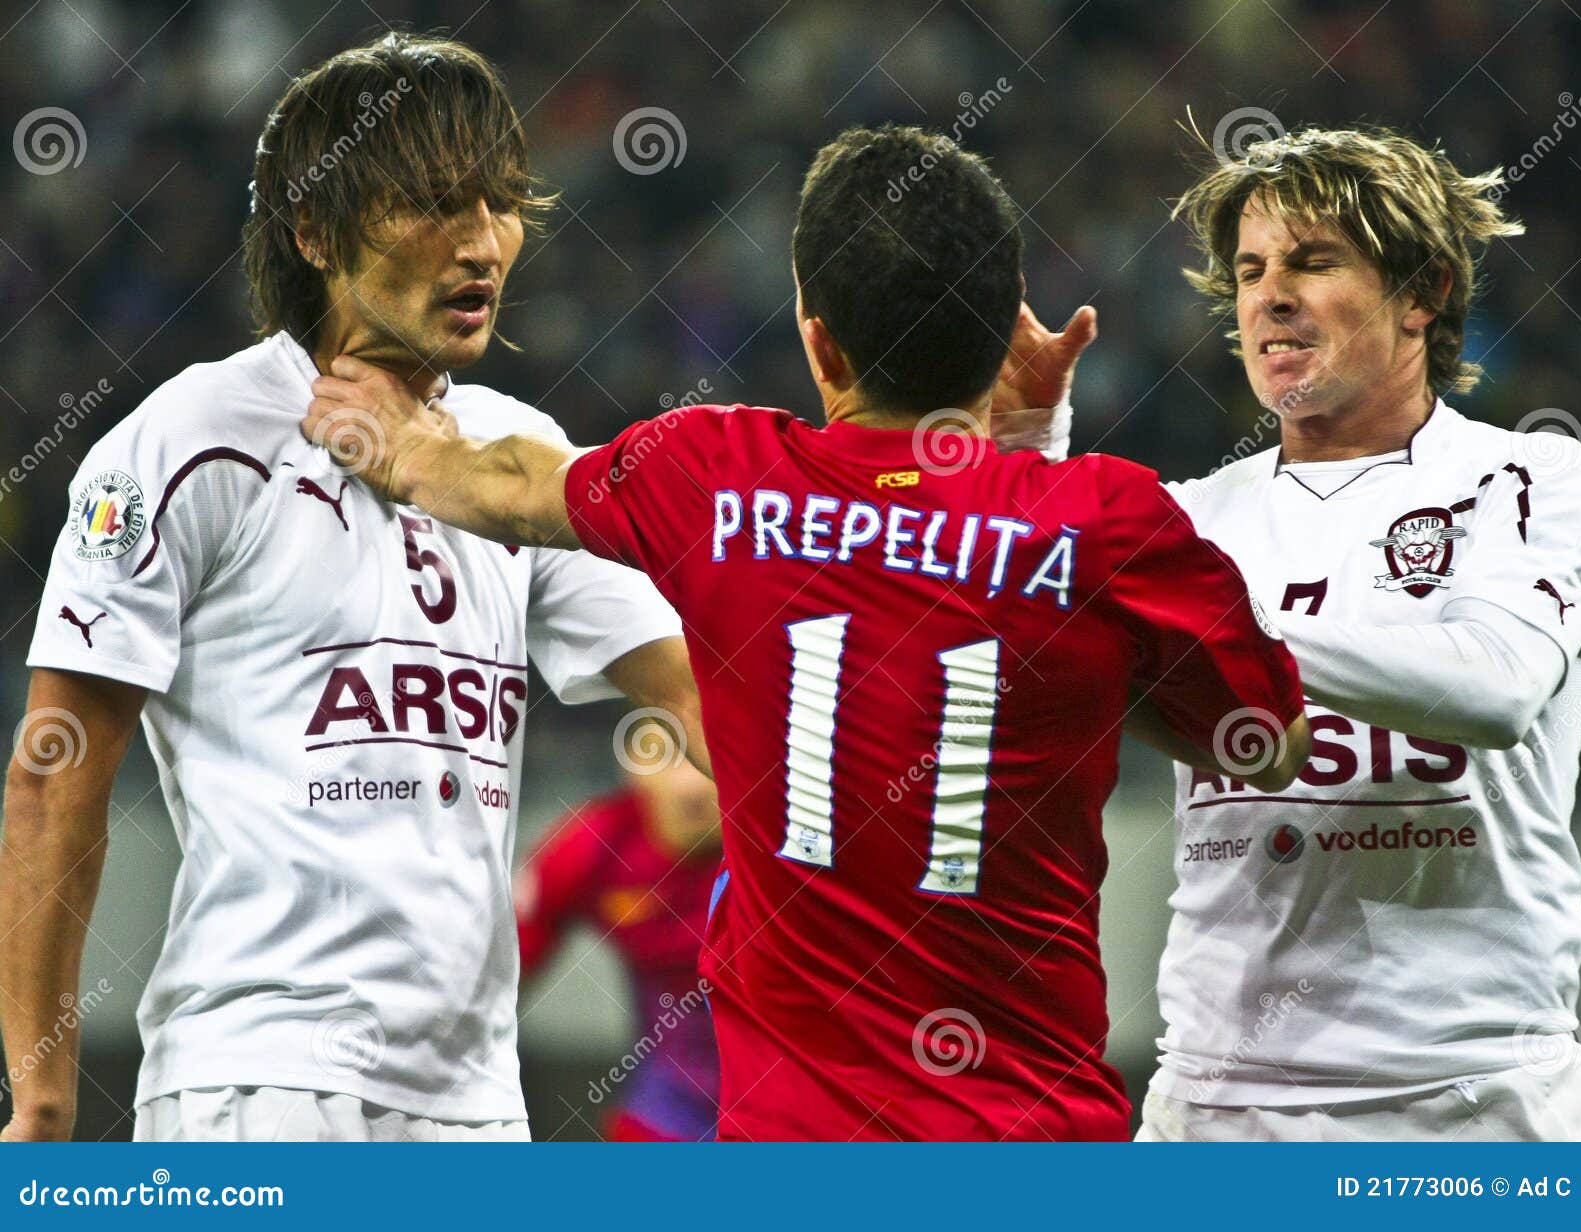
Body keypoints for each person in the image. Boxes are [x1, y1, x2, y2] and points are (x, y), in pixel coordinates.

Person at [302, 124, 1310, 1141]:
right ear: (1000, 324)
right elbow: (1267, 743)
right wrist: (1029, 472)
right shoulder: (1108, 523)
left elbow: (503, 481)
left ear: (818, 338)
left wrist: (374, 410)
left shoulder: (711, 475)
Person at [0, 33, 701, 1144]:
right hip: (257, 1089)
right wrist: (40, 1095)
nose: (483, 244)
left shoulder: (519, 458)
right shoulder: (192, 440)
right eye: (434, 203)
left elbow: (710, 702)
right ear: (315, 230)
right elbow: (55, 771)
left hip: (477, 1107)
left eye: (502, 203)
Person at [1021, 125, 1581, 1139]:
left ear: (1421, 291)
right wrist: (1024, 462)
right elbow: (1031, 650)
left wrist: (1207, 616)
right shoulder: (1190, 518)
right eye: (1249, 269)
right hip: (1215, 1110)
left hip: (1472, 1111)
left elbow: (1498, 688)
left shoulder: (1529, 478)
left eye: (1312, 261)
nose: (1267, 295)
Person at [516, 728, 721, 1141]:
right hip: (668, 1106)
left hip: (794, 1102)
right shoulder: (591, 847)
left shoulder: (788, 856)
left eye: (707, 759)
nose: (690, 786)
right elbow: (493, 983)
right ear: (634, 761)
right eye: (665, 756)